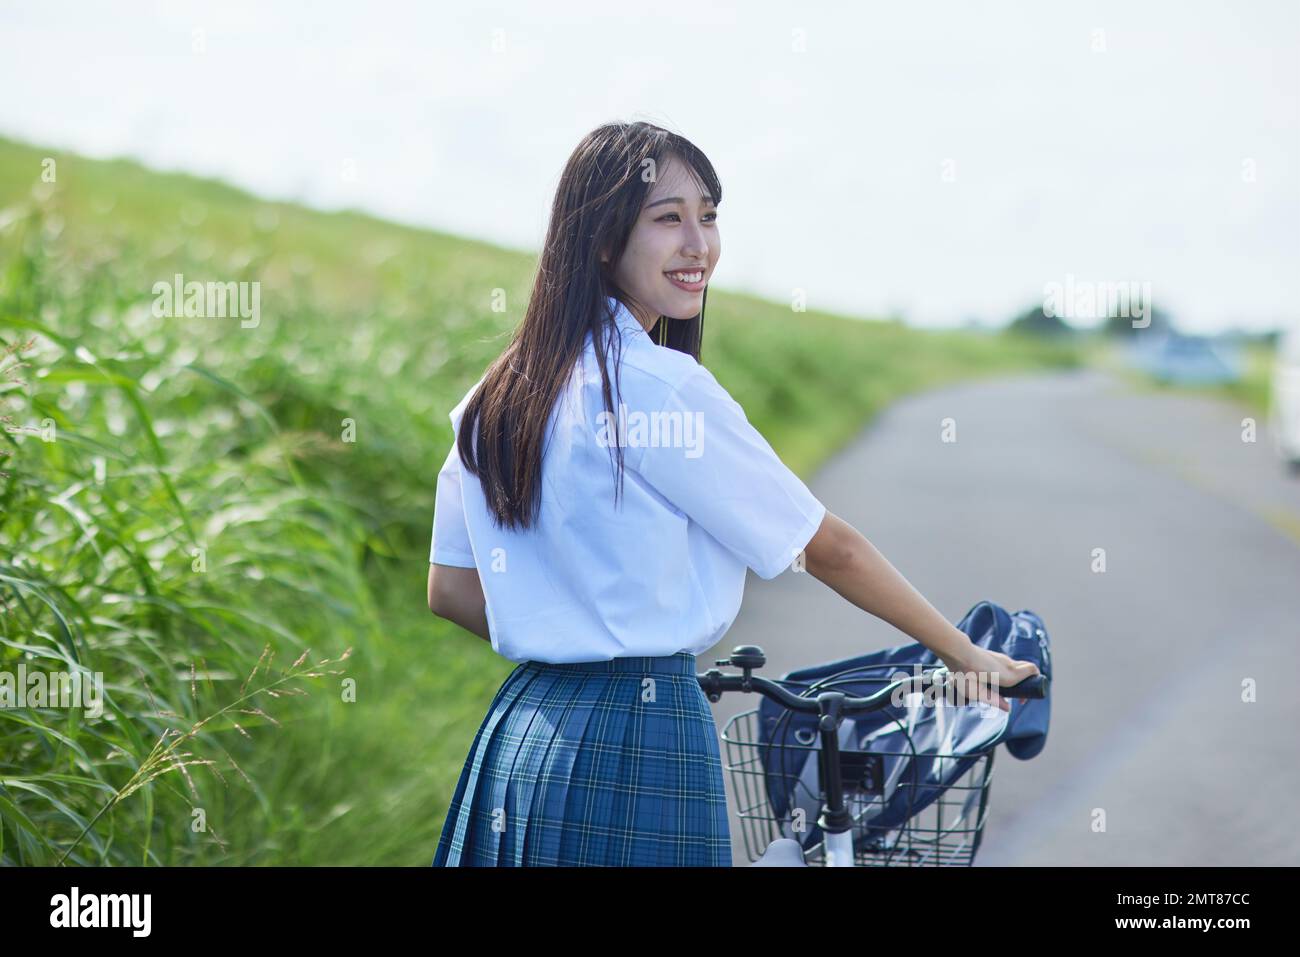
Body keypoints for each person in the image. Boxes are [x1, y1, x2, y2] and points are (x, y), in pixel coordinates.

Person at [427, 120, 1039, 867]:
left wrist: (563, 625)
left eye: (709, 216)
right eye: (667, 218)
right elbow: (826, 547)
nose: (699, 245)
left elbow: (450, 589)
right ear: (601, 238)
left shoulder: (494, 395)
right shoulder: (657, 388)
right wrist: (965, 655)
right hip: (636, 739)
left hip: (521, 733)